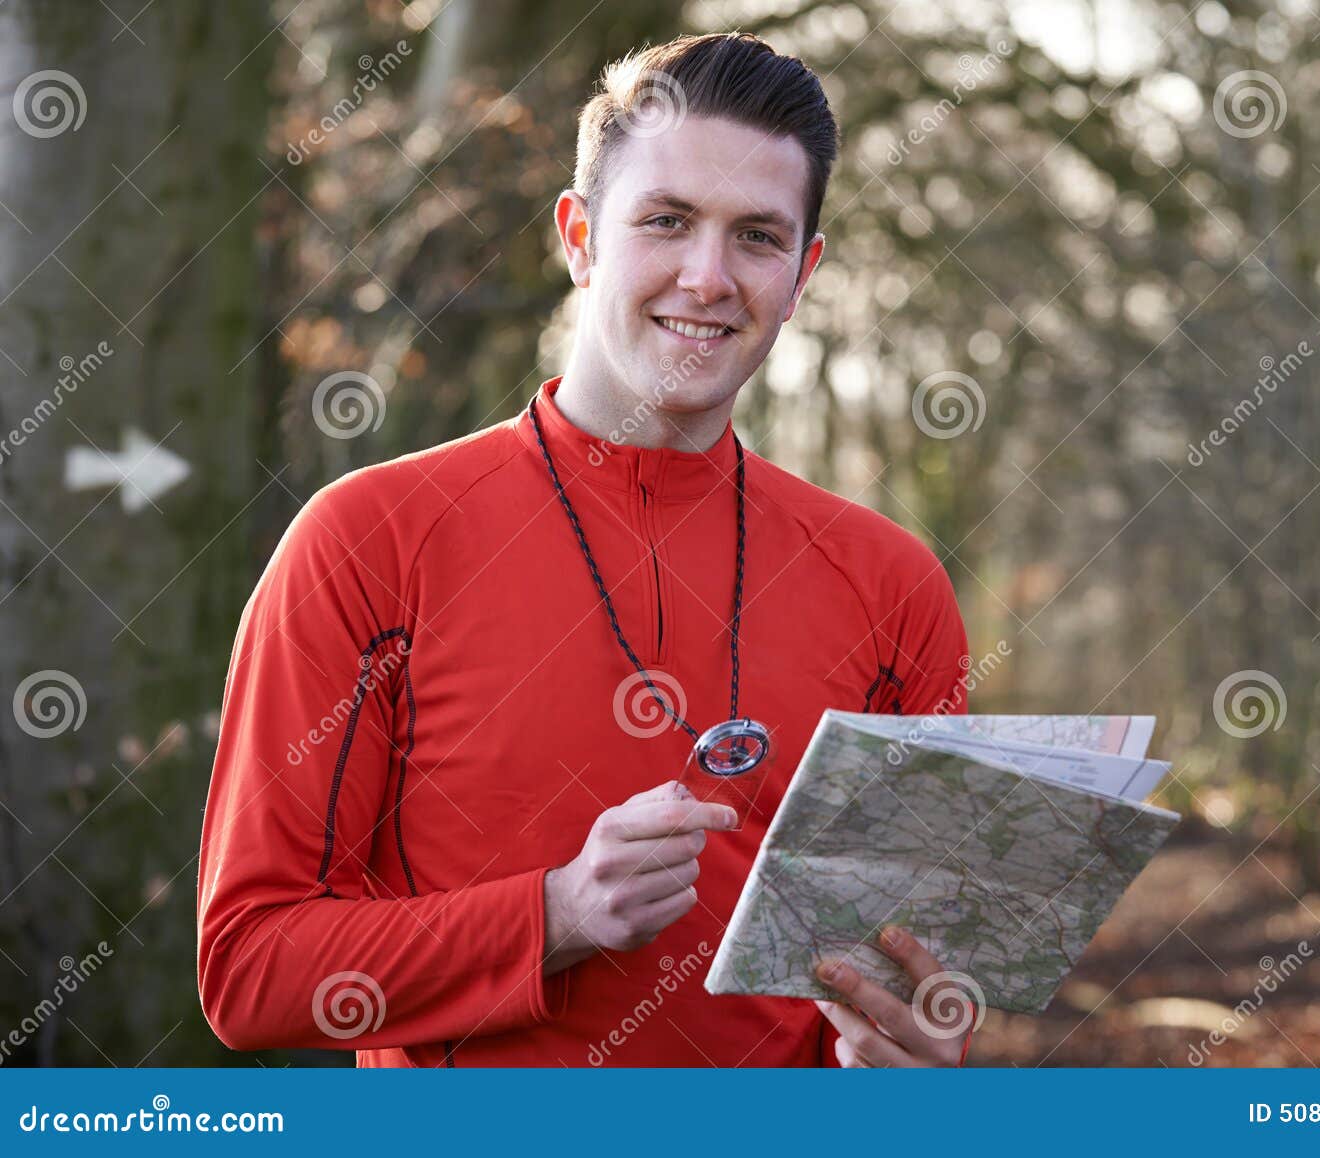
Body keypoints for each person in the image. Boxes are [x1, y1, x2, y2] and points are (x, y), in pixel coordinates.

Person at [197, 31, 972, 1067]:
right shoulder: (366, 542)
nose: (707, 277)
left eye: (756, 237)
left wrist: (913, 1063)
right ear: (578, 237)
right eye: (665, 221)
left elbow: (920, 977)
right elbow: (250, 970)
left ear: (802, 275)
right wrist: (552, 916)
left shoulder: (893, 588)